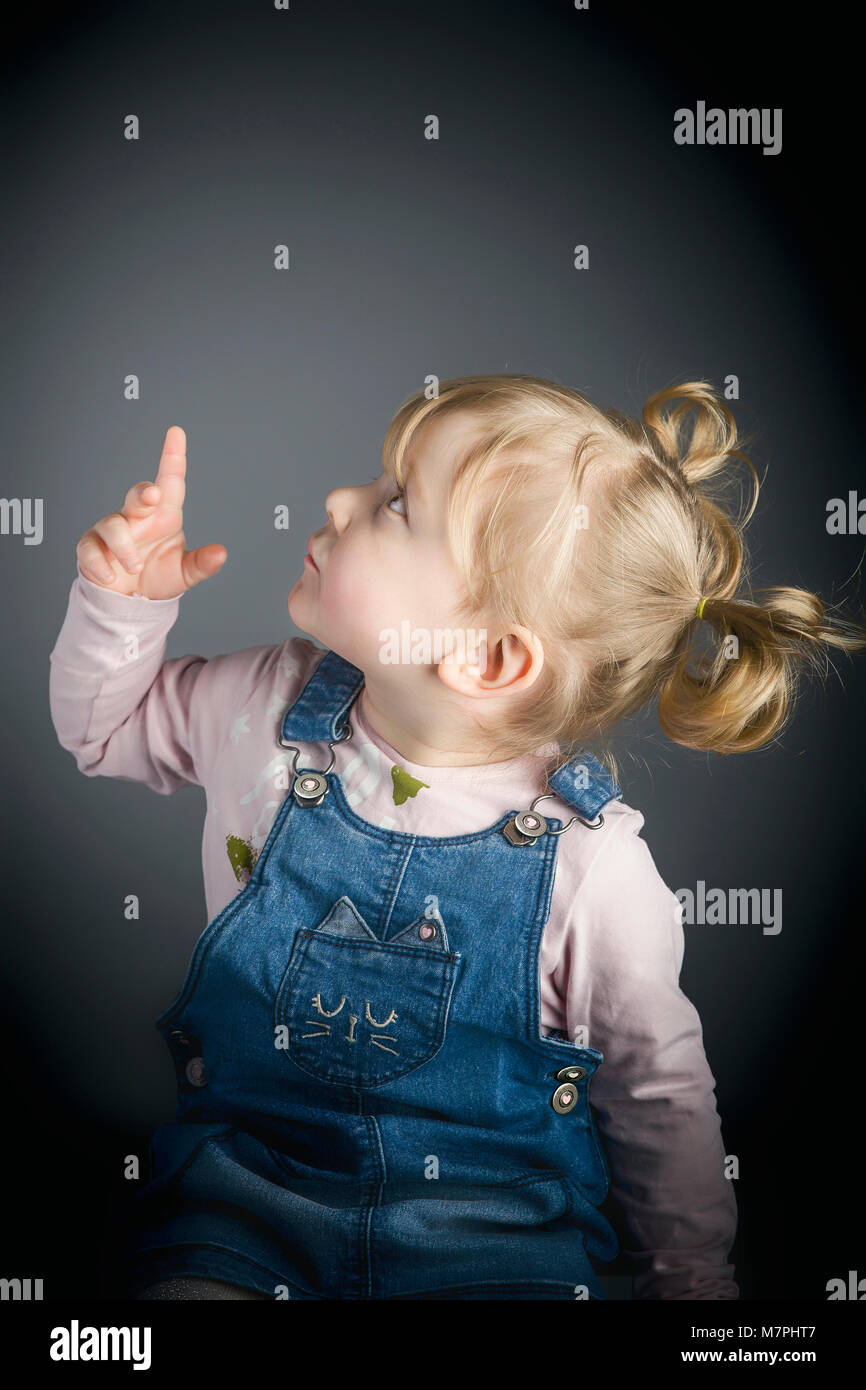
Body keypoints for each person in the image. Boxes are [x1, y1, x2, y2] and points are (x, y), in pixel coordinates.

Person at [49, 375, 865, 1300]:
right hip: (251, 1200)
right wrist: (120, 604)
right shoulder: (261, 706)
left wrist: (692, 1290)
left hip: (493, 1239)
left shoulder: (590, 868)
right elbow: (103, 733)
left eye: (396, 504)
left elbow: (657, 1101)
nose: (338, 500)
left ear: (486, 657)